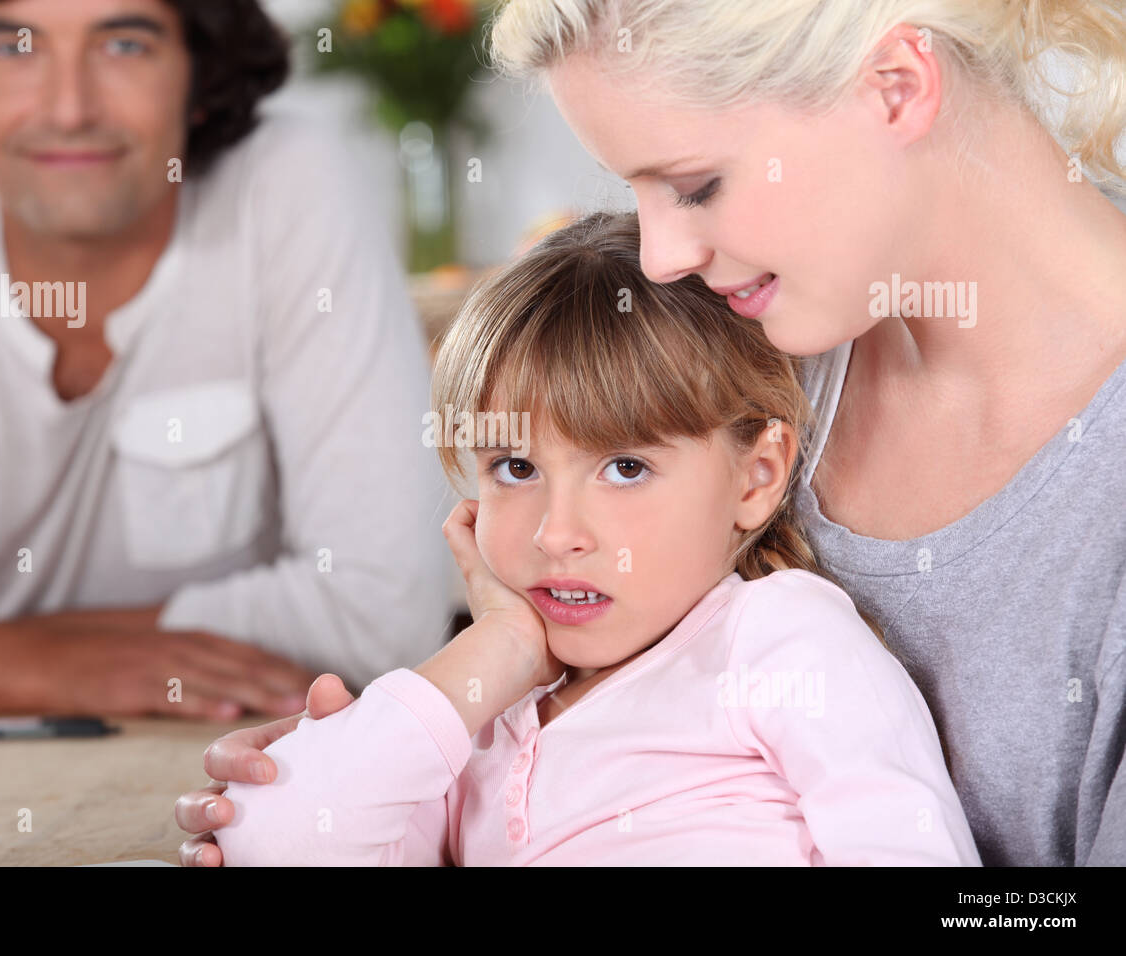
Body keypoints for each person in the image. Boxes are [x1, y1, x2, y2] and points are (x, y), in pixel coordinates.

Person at [178, 0, 1125, 866]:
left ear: (897, 88)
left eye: (697, 185)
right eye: (636, 190)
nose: (662, 256)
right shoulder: (730, 342)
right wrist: (382, 750)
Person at [196, 210, 979, 865]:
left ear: (756, 477)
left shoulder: (781, 642)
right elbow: (268, 845)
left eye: (627, 468)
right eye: (514, 468)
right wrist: (490, 657)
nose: (557, 533)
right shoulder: (484, 715)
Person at [0, 0, 451, 718]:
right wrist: (48, 669)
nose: (70, 110)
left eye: (124, 45)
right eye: (14, 48)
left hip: (197, 769)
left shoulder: (287, 186)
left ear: (199, 72)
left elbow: (384, 616)